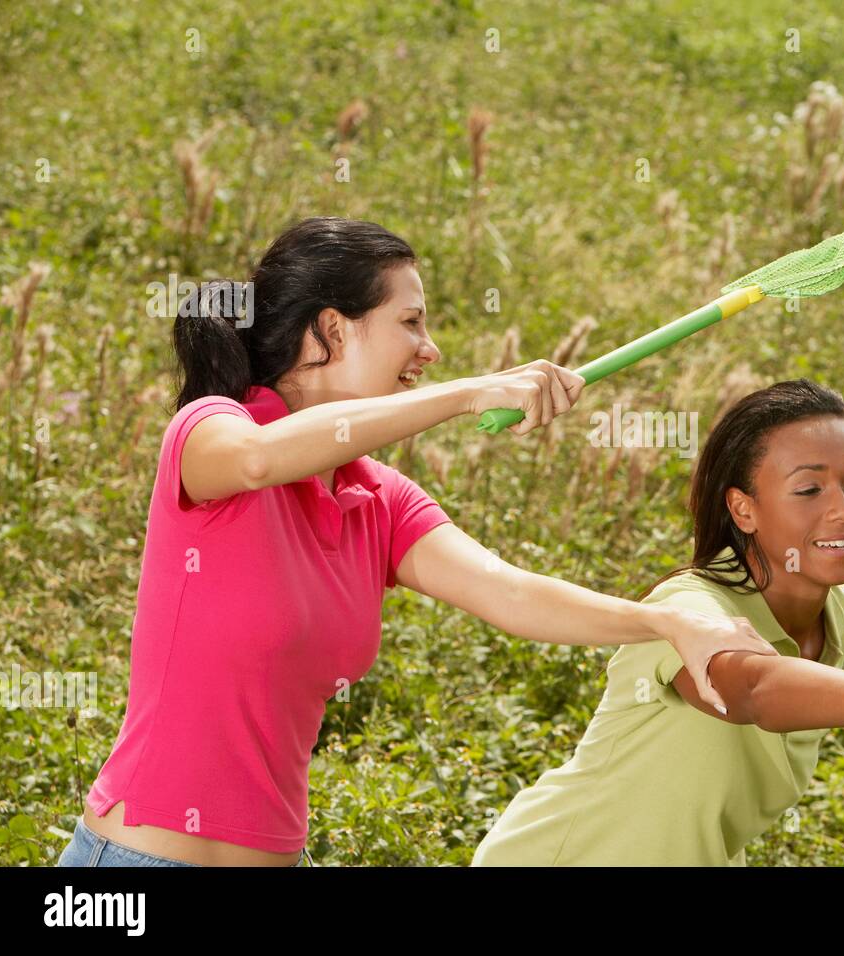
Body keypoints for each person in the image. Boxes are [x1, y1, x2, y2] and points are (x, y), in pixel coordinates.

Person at [58, 216, 775, 868]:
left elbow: (512, 593)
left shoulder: (377, 500)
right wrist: (466, 394)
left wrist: (664, 620)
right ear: (332, 331)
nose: (429, 349)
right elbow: (258, 459)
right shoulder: (211, 432)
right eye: (410, 322)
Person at [472, 379, 844, 866]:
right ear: (743, 509)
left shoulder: (834, 611)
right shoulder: (687, 606)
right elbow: (754, 690)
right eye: (809, 489)